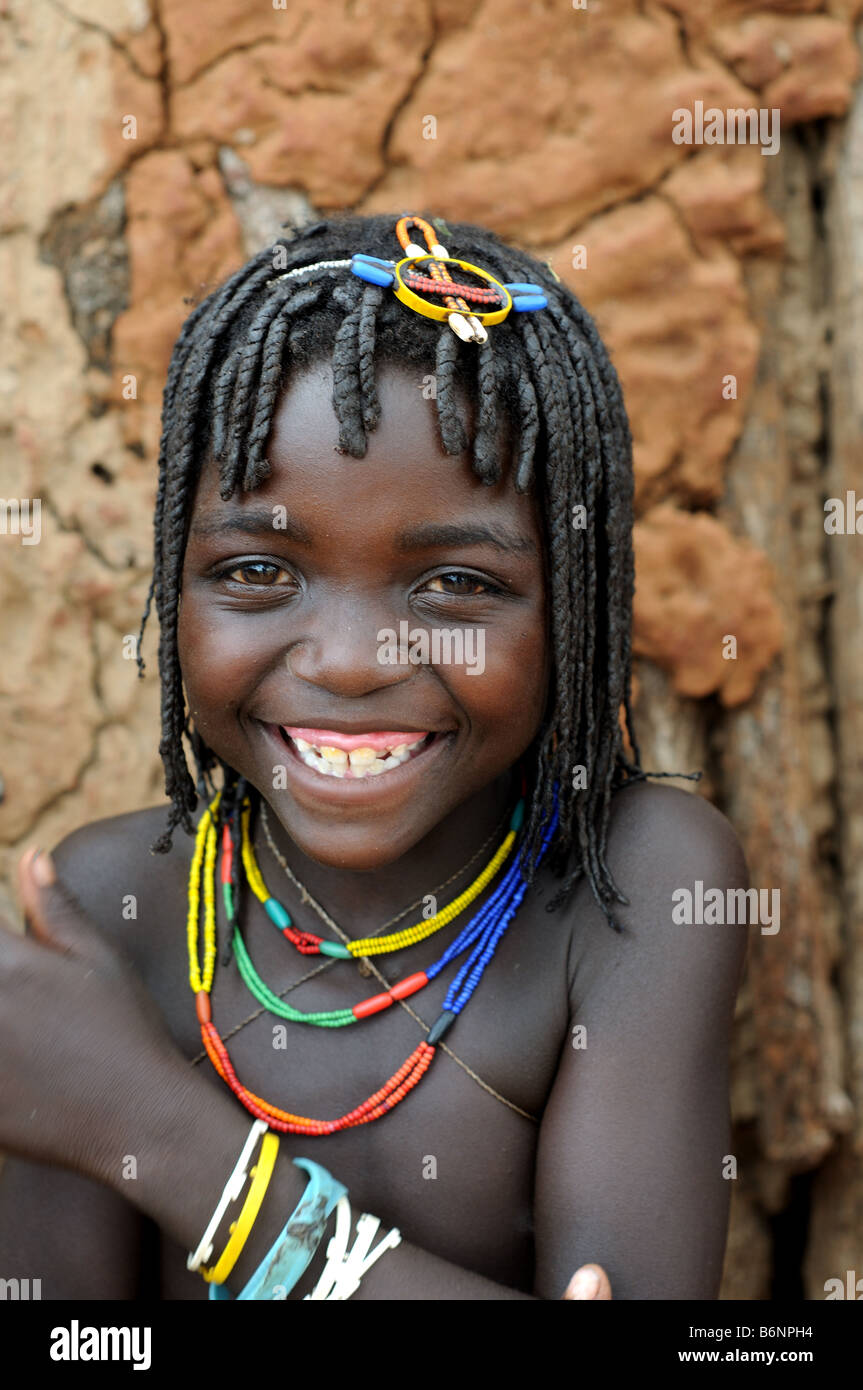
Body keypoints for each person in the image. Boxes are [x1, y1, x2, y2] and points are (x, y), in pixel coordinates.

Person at [0, 213, 747, 1300]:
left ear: (574, 611)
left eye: (455, 585)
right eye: (258, 570)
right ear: (174, 583)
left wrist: (154, 1130)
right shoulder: (115, 909)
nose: (352, 663)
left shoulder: (631, 888)